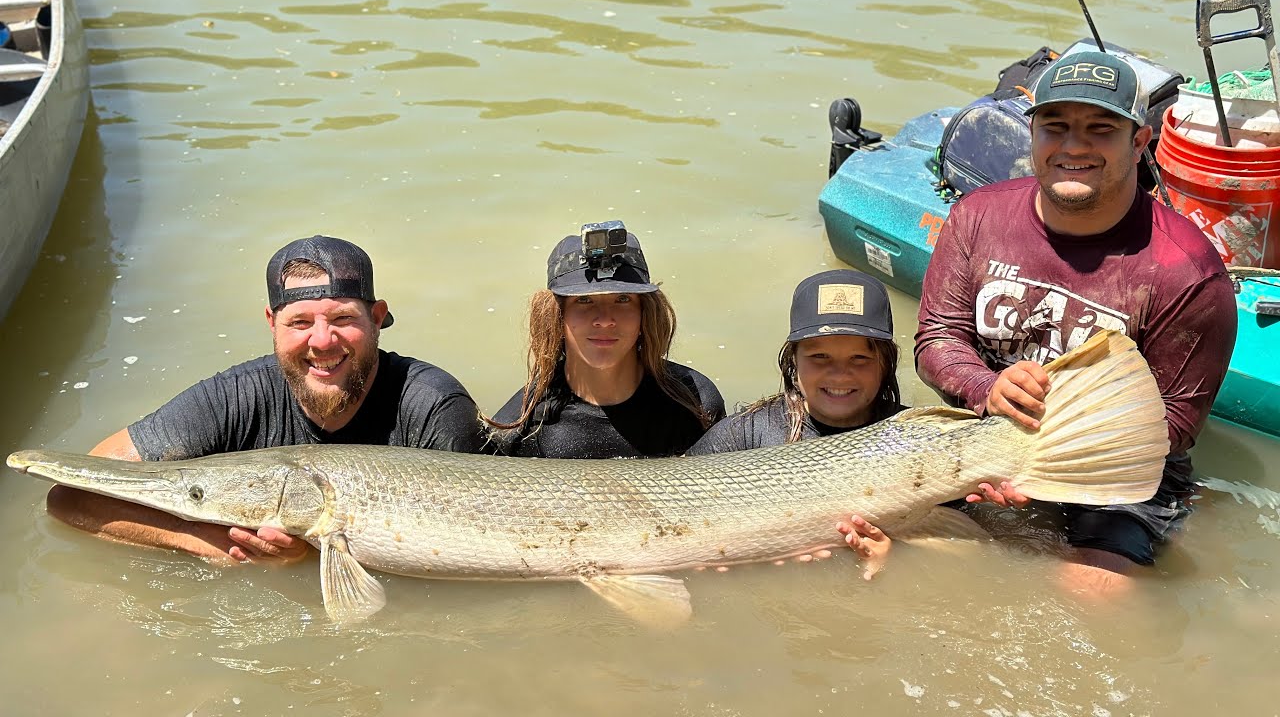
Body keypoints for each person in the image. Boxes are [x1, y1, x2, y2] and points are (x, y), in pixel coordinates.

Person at [915, 51, 1237, 596]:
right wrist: (986, 387)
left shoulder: (1188, 272)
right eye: (1055, 126)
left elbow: (1175, 425)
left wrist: (1038, 460)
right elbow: (937, 337)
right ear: (1032, 133)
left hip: (1116, 465)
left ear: (1140, 142)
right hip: (984, 430)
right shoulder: (977, 216)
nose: (1073, 146)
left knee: (1091, 598)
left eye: (1100, 129)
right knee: (899, 549)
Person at [47, 235, 487, 563]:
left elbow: (460, 552)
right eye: (299, 322)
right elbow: (74, 495)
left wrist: (305, 552)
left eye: (342, 318)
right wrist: (203, 539)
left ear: (375, 319)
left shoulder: (434, 406)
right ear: (271, 323)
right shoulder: (231, 398)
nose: (322, 340)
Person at [686, 269, 903, 578]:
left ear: (886, 364)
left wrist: (892, 558)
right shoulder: (741, 437)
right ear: (793, 361)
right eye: (820, 357)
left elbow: (967, 538)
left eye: (859, 359)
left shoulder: (914, 438)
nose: (840, 374)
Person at [487, 223, 725, 458]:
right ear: (556, 317)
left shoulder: (695, 403)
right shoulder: (519, 429)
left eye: (622, 299)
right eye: (584, 300)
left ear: (646, 314)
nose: (604, 319)